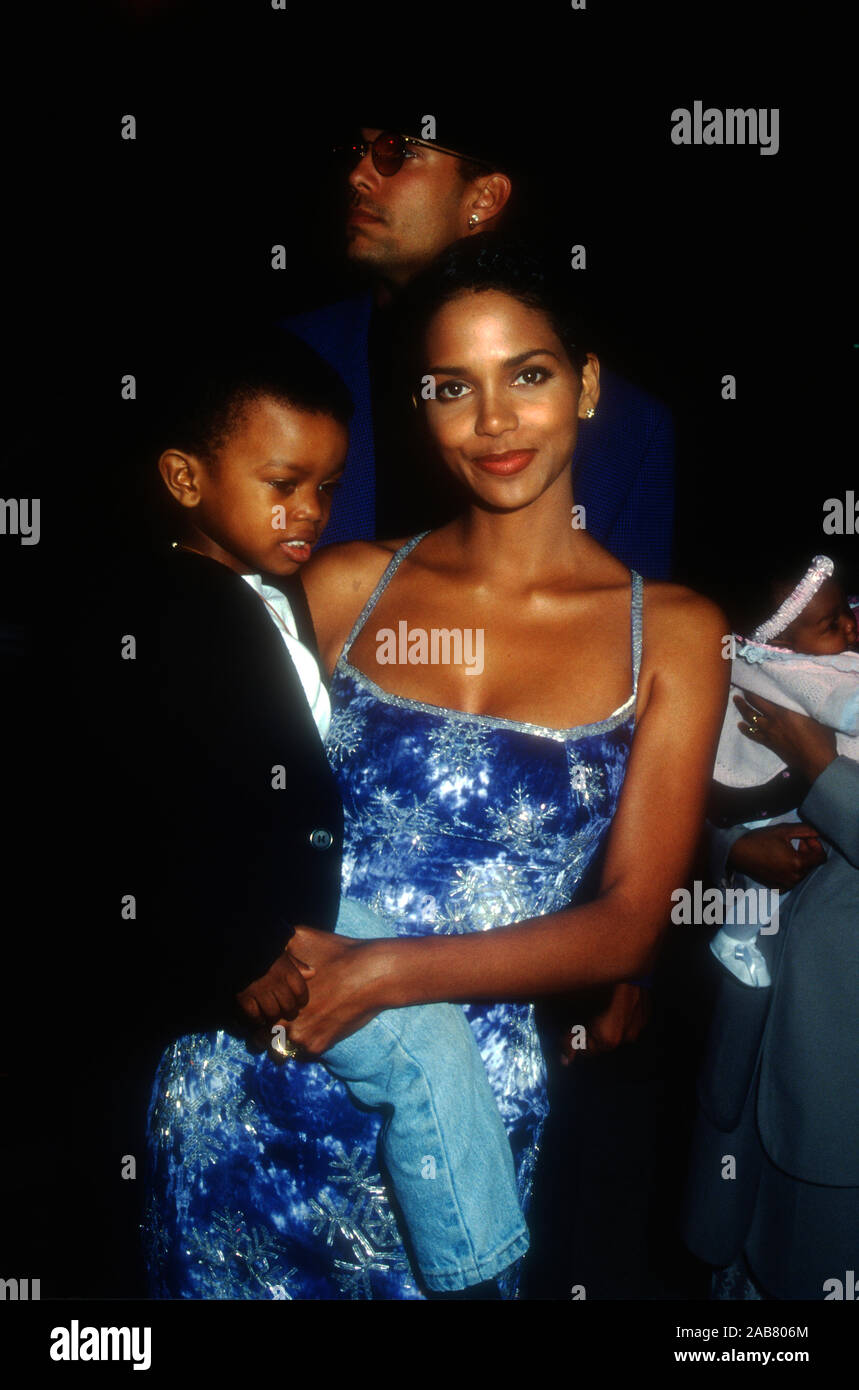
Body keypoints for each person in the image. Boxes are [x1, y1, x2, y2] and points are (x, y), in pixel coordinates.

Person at [147, 240, 726, 1300]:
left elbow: (631, 921)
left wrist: (385, 972)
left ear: (587, 385)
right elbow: (182, 787)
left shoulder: (675, 635)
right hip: (247, 1077)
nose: (493, 419)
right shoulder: (338, 582)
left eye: (530, 374)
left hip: (451, 1131)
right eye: (453, 385)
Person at [123, 333, 530, 1297]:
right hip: (269, 924)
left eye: (327, 488)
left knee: (426, 1053)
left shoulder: (263, 597)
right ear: (185, 477)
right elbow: (153, 812)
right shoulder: (173, 617)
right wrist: (243, 946)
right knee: (426, 1054)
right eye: (282, 483)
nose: (308, 511)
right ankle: (478, 1271)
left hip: (295, 903)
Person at [285, 115, 675, 578]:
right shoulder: (284, 359)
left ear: (485, 197)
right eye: (360, 152)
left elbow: (636, 628)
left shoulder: (633, 426)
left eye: (398, 151)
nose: (358, 175)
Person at [681, 557, 859, 1299]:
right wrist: (732, 848)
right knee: (743, 1244)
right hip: (754, 1016)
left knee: (815, 1253)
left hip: (839, 1045)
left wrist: (819, 769)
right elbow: (703, 790)